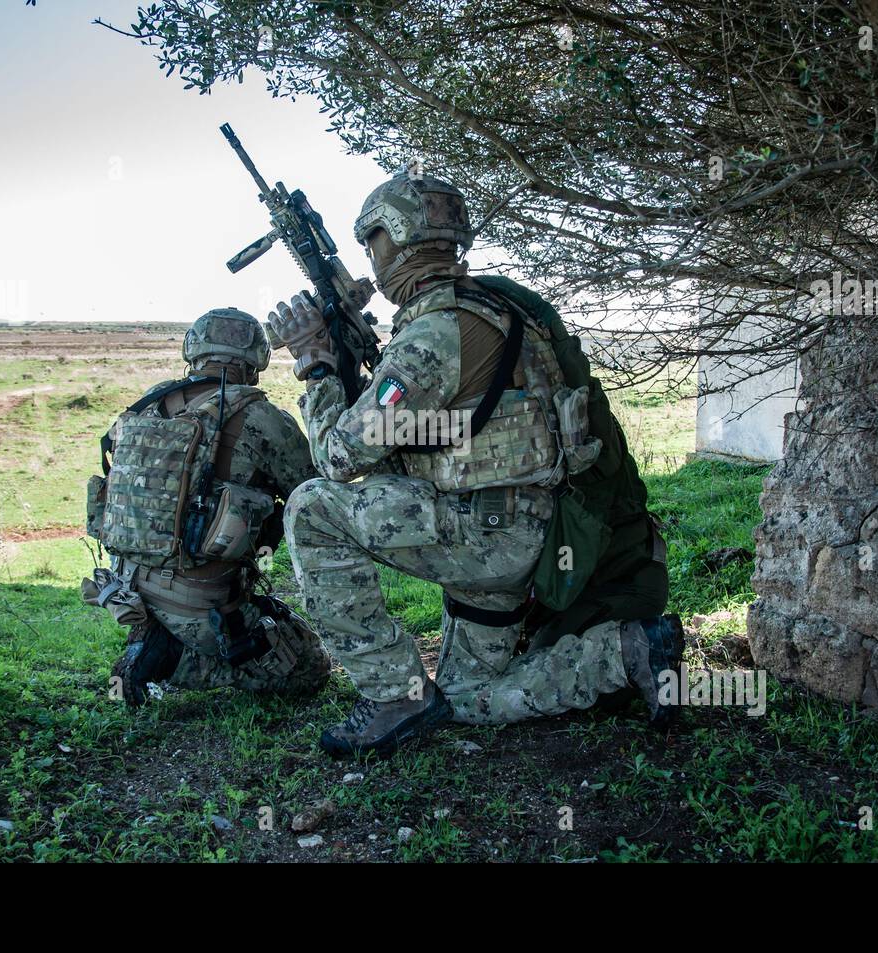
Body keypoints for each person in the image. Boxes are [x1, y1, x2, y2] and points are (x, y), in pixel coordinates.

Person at [271, 173, 682, 759]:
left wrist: (314, 363)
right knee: (466, 698)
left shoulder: (433, 334)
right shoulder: (495, 308)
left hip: (486, 538)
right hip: (522, 538)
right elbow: (430, 431)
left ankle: (392, 695)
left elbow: (337, 457)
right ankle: (626, 653)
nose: (371, 260)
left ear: (395, 238)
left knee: (312, 508)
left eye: (373, 244)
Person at [84, 307, 330, 707]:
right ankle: (175, 657)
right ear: (257, 360)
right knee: (310, 670)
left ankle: (155, 635)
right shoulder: (260, 416)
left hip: (126, 588)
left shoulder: (147, 407)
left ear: (193, 353)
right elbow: (312, 489)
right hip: (200, 605)